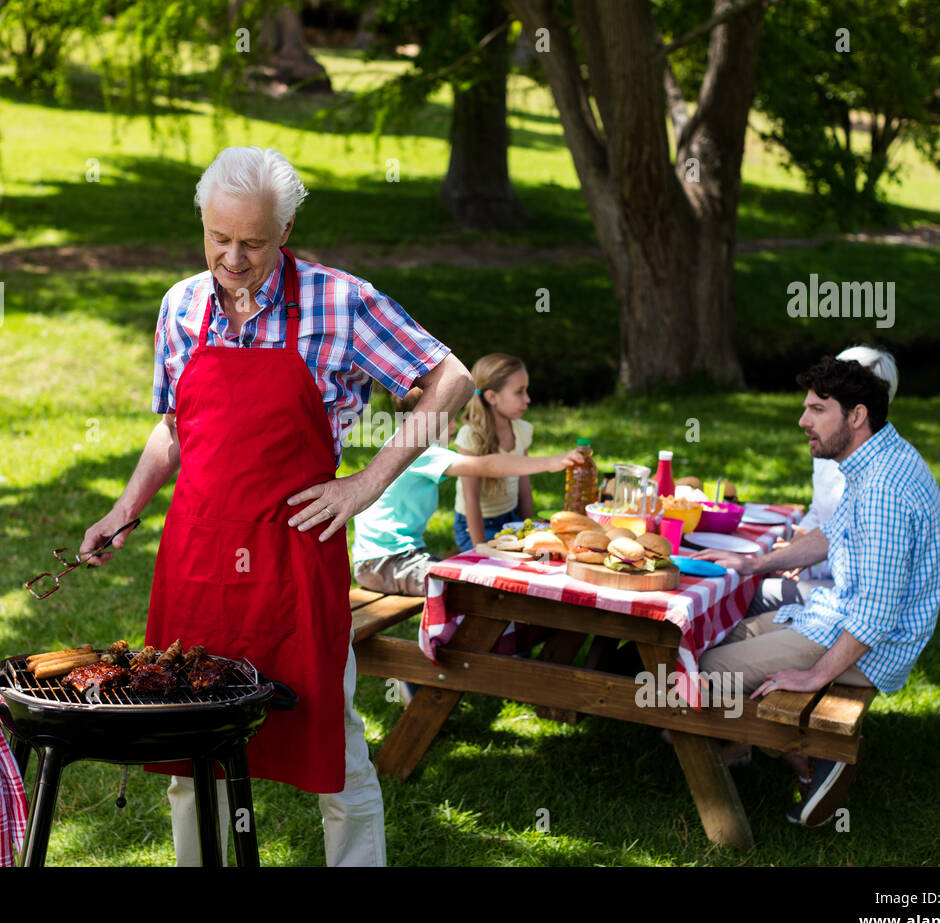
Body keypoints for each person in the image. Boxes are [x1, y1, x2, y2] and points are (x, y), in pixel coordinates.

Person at [77, 146, 473, 866]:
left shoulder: (341, 302)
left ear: (283, 232)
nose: (231, 257)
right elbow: (174, 428)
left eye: (252, 242)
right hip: (197, 556)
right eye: (218, 237)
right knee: (189, 743)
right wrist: (125, 507)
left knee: (334, 746)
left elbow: (452, 379)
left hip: (296, 557)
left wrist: (367, 484)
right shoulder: (180, 306)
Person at [693, 356, 940, 827]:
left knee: (704, 673)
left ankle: (813, 753)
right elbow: (832, 534)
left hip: (868, 645)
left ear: (855, 416)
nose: (802, 420)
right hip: (837, 614)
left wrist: (813, 678)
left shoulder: (884, 491)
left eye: (816, 409)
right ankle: (771, 746)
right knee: (720, 636)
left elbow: (875, 616)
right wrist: (754, 563)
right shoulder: (873, 459)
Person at [352, 386, 584, 596]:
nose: (455, 425)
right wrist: (550, 462)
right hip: (384, 564)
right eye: (448, 418)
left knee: (480, 578)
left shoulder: (409, 444)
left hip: (396, 559)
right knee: (472, 587)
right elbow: (486, 465)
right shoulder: (414, 449)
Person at [750, 345, 900, 615]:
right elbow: (819, 513)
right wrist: (797, 547)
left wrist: (806, 557)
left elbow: (868, 571)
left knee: (753, 590)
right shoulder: (828, 446)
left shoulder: (879, 480)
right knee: (752, 577)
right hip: (823, 571)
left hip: (848, 596)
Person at [453, 353, 539, 552]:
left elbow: (524, 486)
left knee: (542, 557)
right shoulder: (470, 437)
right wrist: (481, 548)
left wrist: (528, 530)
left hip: (512, 518)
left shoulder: (523, 430)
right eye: (519, 392)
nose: (527, 399)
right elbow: (470, 498)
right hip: (475, 527)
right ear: (492, 397)